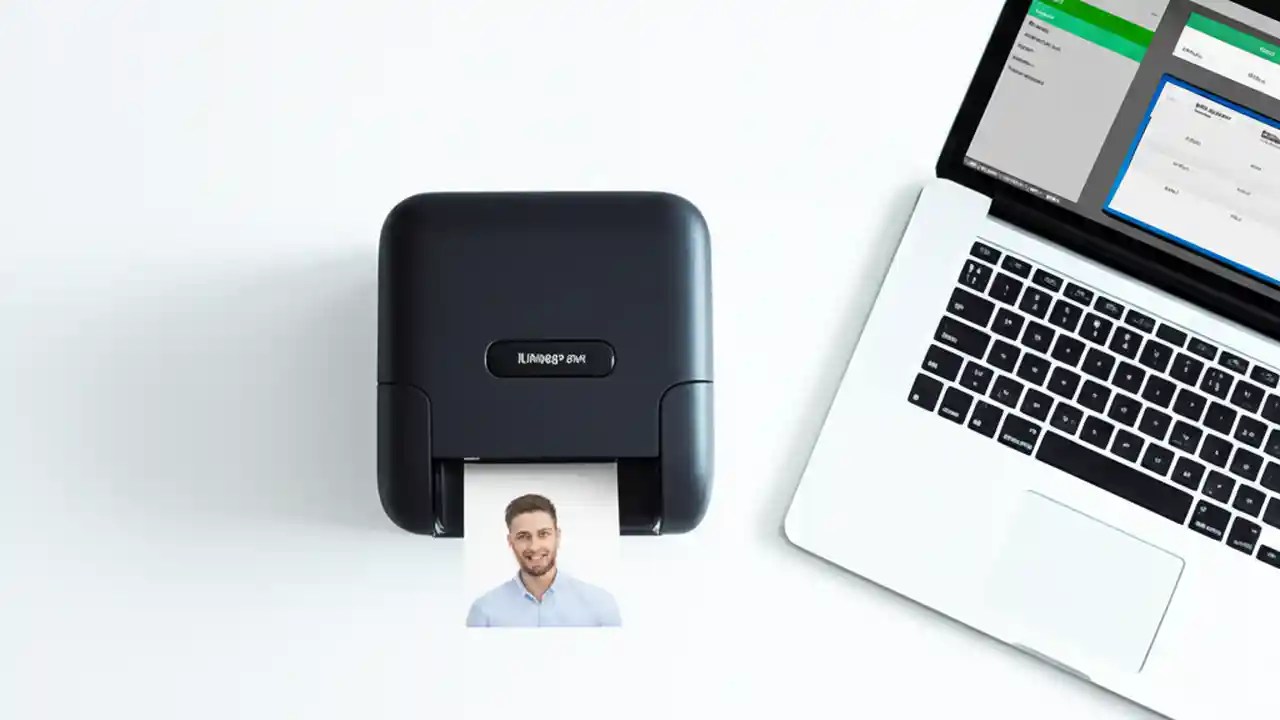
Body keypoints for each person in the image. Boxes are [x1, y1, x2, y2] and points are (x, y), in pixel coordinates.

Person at [466, 493, 621, 627]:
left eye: (543, 534)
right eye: (523, 536)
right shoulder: (484, 612)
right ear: (510, 541)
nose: (534, 547)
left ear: (557, 537)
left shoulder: (600, 606)